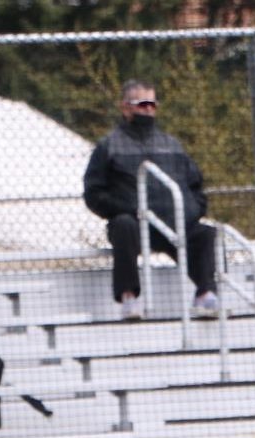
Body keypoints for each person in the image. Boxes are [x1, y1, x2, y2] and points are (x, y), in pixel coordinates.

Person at [83, 80, 219, 321]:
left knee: (204, 233)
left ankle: (205, 293)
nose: (148, 110)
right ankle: (129, 297)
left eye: (152, 104)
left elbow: (196, 186)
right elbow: (94, 193)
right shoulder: (108, 146)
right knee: (123, 226)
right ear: (125, 108)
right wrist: (127, 209)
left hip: (173, 223)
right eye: (142, 104)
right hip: (136, 223)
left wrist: (192, 211)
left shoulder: (172, 145)